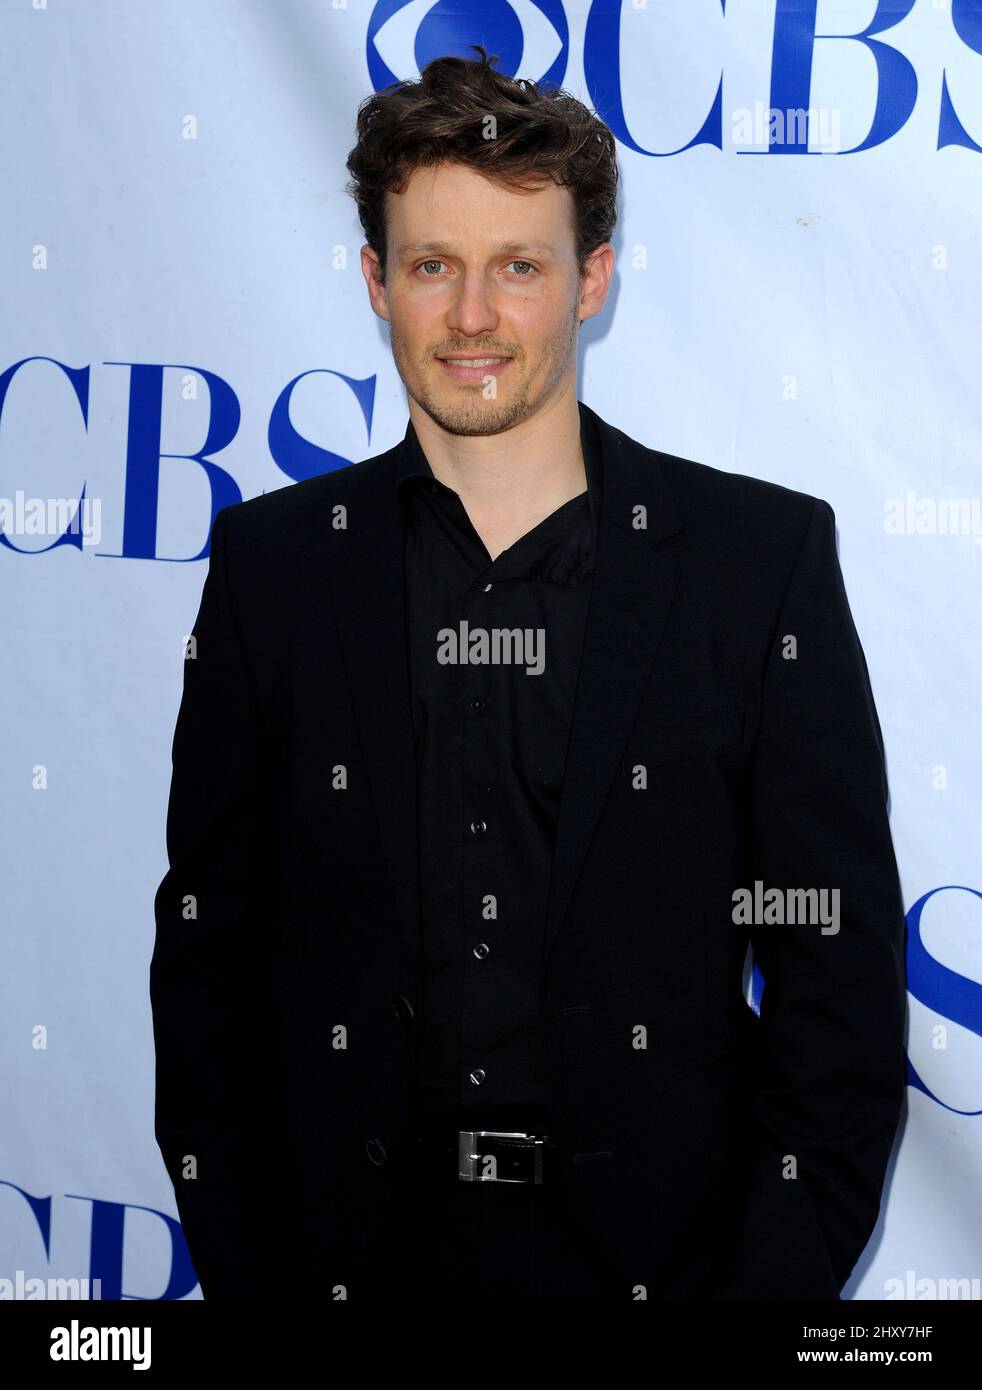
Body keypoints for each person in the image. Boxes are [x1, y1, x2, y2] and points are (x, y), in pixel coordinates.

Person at [150, 45, 907, 1301]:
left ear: (591, 281)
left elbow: (836, 972)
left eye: (519, 267)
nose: (472, 317)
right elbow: (208, 951)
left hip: (663, 1270)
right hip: (349, 1268)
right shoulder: (276, 567)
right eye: (432, 264)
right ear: (375, 282)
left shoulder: (754, 564)